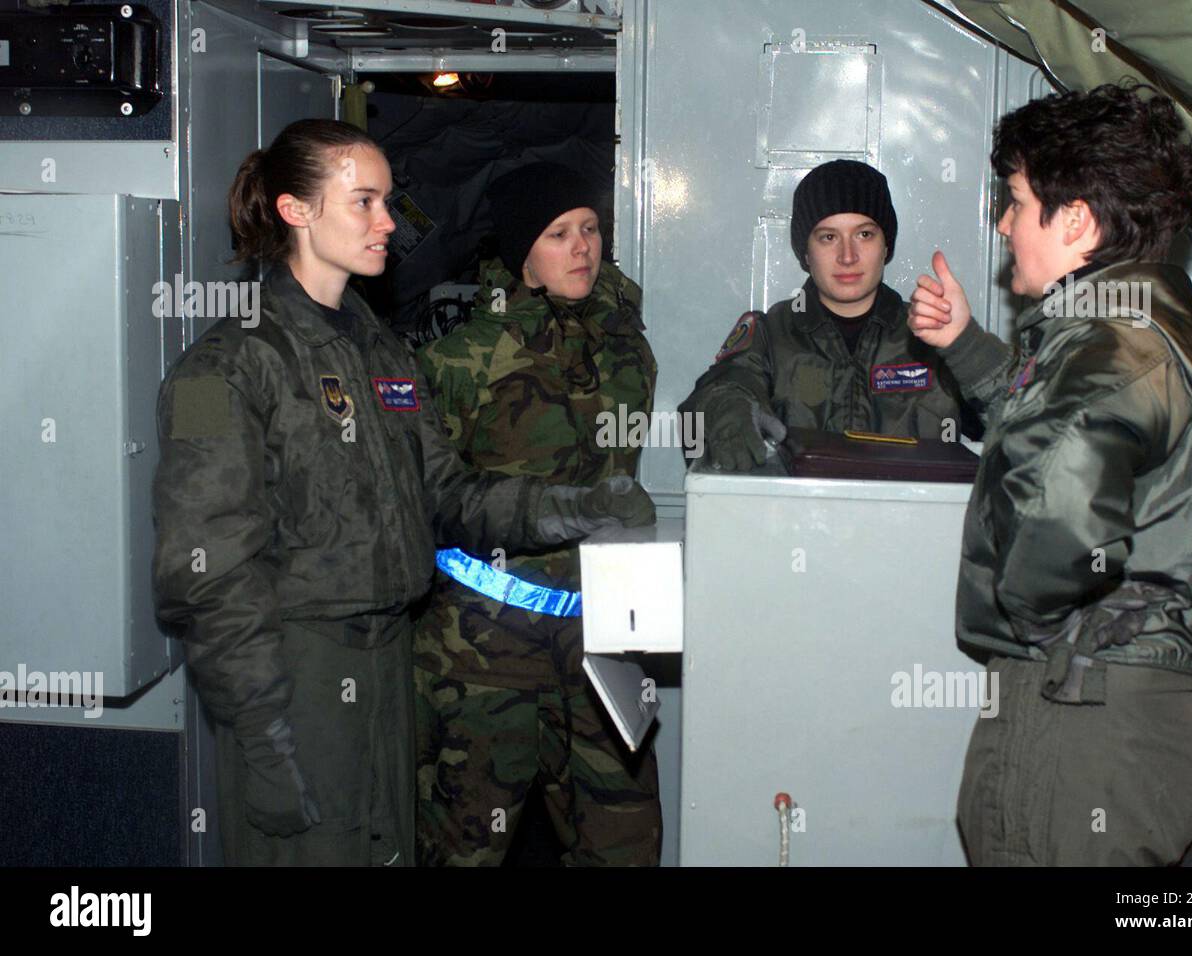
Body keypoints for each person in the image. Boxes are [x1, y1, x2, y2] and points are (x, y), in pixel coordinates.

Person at [152, 121, 654, 867]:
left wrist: (572, 509)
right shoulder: (221, 367)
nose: (388, 222)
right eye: (364, 202)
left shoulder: (381, 351)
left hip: (389, 662)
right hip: (298, 674)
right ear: (296, 211)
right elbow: (207, 576)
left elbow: (448, 493)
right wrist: (262, 736)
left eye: (386, 201)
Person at [908, 84, 1192, 866]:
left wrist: (1024, 623)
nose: (1003, 223)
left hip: (1080, 713)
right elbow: (1059, 427)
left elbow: (1051, 517)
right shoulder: (1145, 316)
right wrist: (965, 343)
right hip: (1142, 723)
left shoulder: (1103, 343)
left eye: (1016, 201)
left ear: (1075, 220)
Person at [412, 162, 662, 866]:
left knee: (625, 832)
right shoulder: (460, 360)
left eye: (590, 229)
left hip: (603, 631)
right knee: (470, 841)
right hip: (488, 646)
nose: (581, 246)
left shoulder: (625, 344)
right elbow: (436, 498)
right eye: (558, 234)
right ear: (524, 257)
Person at [679, 159, 969, 471]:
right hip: (792, 518)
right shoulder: (770, 335)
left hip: (914, 518)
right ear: (805, 252)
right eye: (828, 237)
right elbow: (714, 395)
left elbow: (1015, 417)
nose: (847, 256)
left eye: (865, 235)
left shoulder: (933, 333)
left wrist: (967, 346)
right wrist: (723, 408)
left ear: (886, 246)